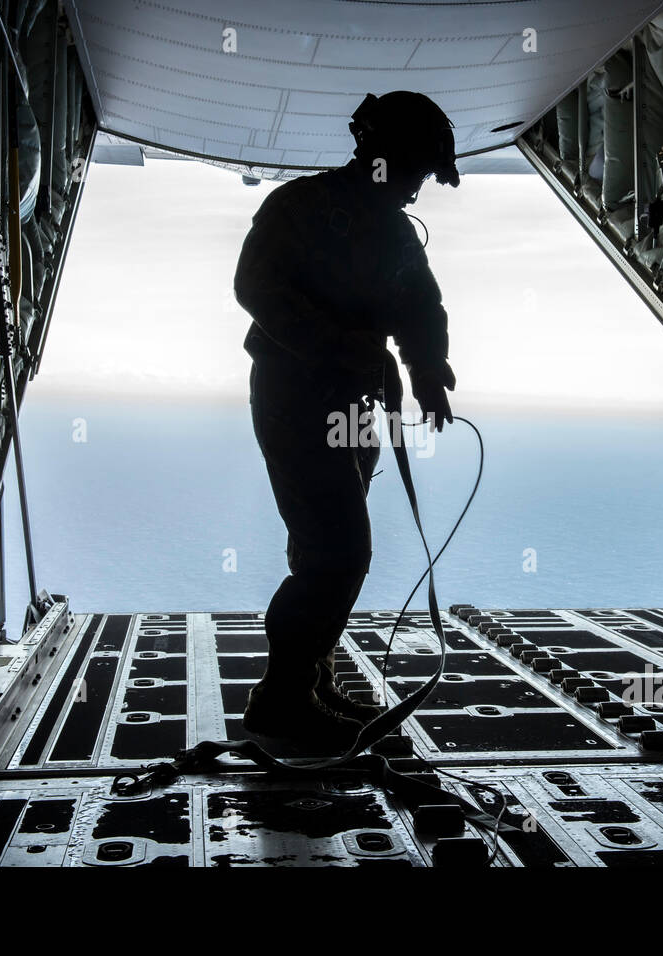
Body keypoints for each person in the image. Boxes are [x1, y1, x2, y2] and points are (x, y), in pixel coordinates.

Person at [233, 91, 460, 747]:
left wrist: (424, 369)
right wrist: (342, 347)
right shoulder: (302, 207)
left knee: (322, 548)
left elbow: (418, 305)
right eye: (418, 168)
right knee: (339, 552)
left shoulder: (385, 225)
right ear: (387, 154)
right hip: (296, 396)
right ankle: (280, 701)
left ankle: (310, 684)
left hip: (352, 405)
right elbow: (254, 287)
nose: (419, 186)